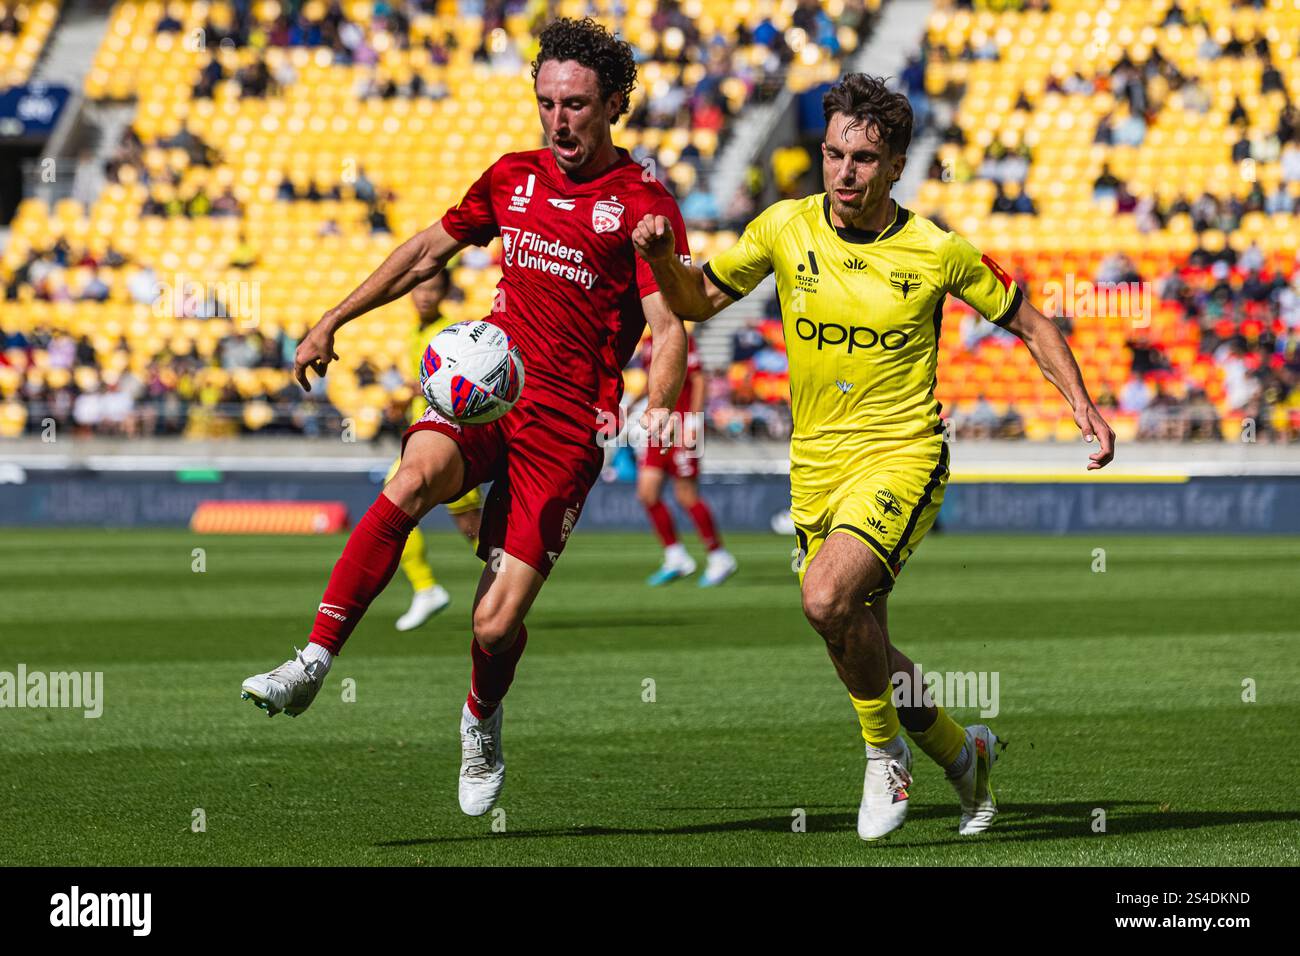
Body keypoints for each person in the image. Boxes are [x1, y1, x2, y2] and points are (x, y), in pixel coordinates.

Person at [632, 73, 1115, 842]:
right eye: (831, 154)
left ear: (894, 166)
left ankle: (885, 754)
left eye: (862, 158)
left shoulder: (935, 250)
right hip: (815, 467)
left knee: (825, 598)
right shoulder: (785, 228)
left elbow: (1029, 319)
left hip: (903, 455)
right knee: (860, 640)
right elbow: (694, 304)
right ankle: (966, 756)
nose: (843, 172)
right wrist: (662, 263)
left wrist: (1080, 402)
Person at [240, 18, 690, 819]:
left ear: (615, 104)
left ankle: (481, 718)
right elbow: (423, 253)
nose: (559, 119)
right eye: (547, 101)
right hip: (488, 389)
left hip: (567, 427)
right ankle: (312, 660)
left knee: (493, 621)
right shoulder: (511, 177)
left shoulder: (643, 206)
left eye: (577, 104)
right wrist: (330, 320)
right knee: (413, 476)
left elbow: (667, 330)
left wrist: (655, 417)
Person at [386, 268, 484, 632]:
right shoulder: (413, 332)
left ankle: (514, 576)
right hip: (420, 440)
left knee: (476, 532)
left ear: (444, 293)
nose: (425, 295)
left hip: (450, 440)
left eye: (433, 289)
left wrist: (419, 389)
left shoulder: (450, 333)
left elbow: (466, 384)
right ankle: (426, 587)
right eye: (420, 288)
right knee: (392, 507)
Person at [636, 331, 737, 586]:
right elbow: (653, 383)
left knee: (686, 495)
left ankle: (719, 556)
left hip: (682, 425)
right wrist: (631, 403)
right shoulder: (648, 344)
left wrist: (693, 419)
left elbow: (699, 379)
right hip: (660, 426)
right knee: (647, 493)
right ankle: (675, 556)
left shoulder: (679, 336)